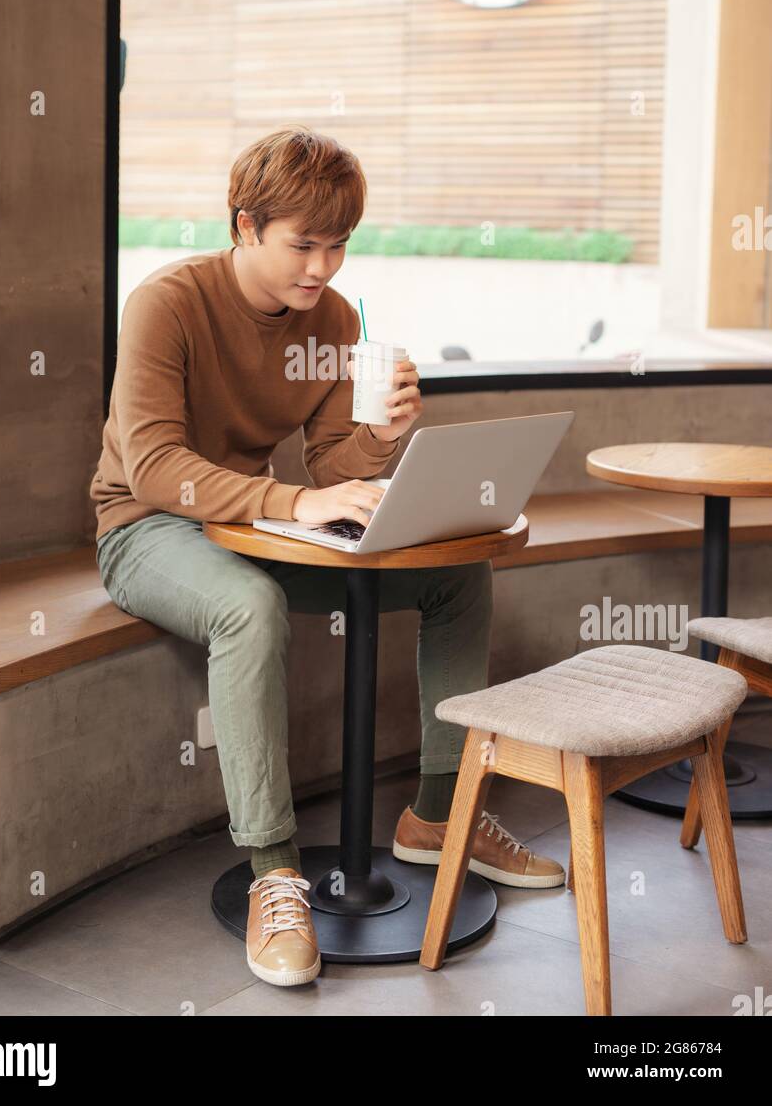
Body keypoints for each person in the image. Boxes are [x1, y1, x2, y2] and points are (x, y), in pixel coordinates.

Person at [91, 126, 564, 988]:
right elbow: (152, 469)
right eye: (302, 243)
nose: (322, 267)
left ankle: (436, 815)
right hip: (147, 530)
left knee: (454, 574)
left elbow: (331, 466)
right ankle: (276, 870)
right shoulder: (166, 303)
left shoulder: (336, 318)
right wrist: (295, 504)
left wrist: (380, 439)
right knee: (249, 606)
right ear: (245, 226)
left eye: (338, 244)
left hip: (257, 525)